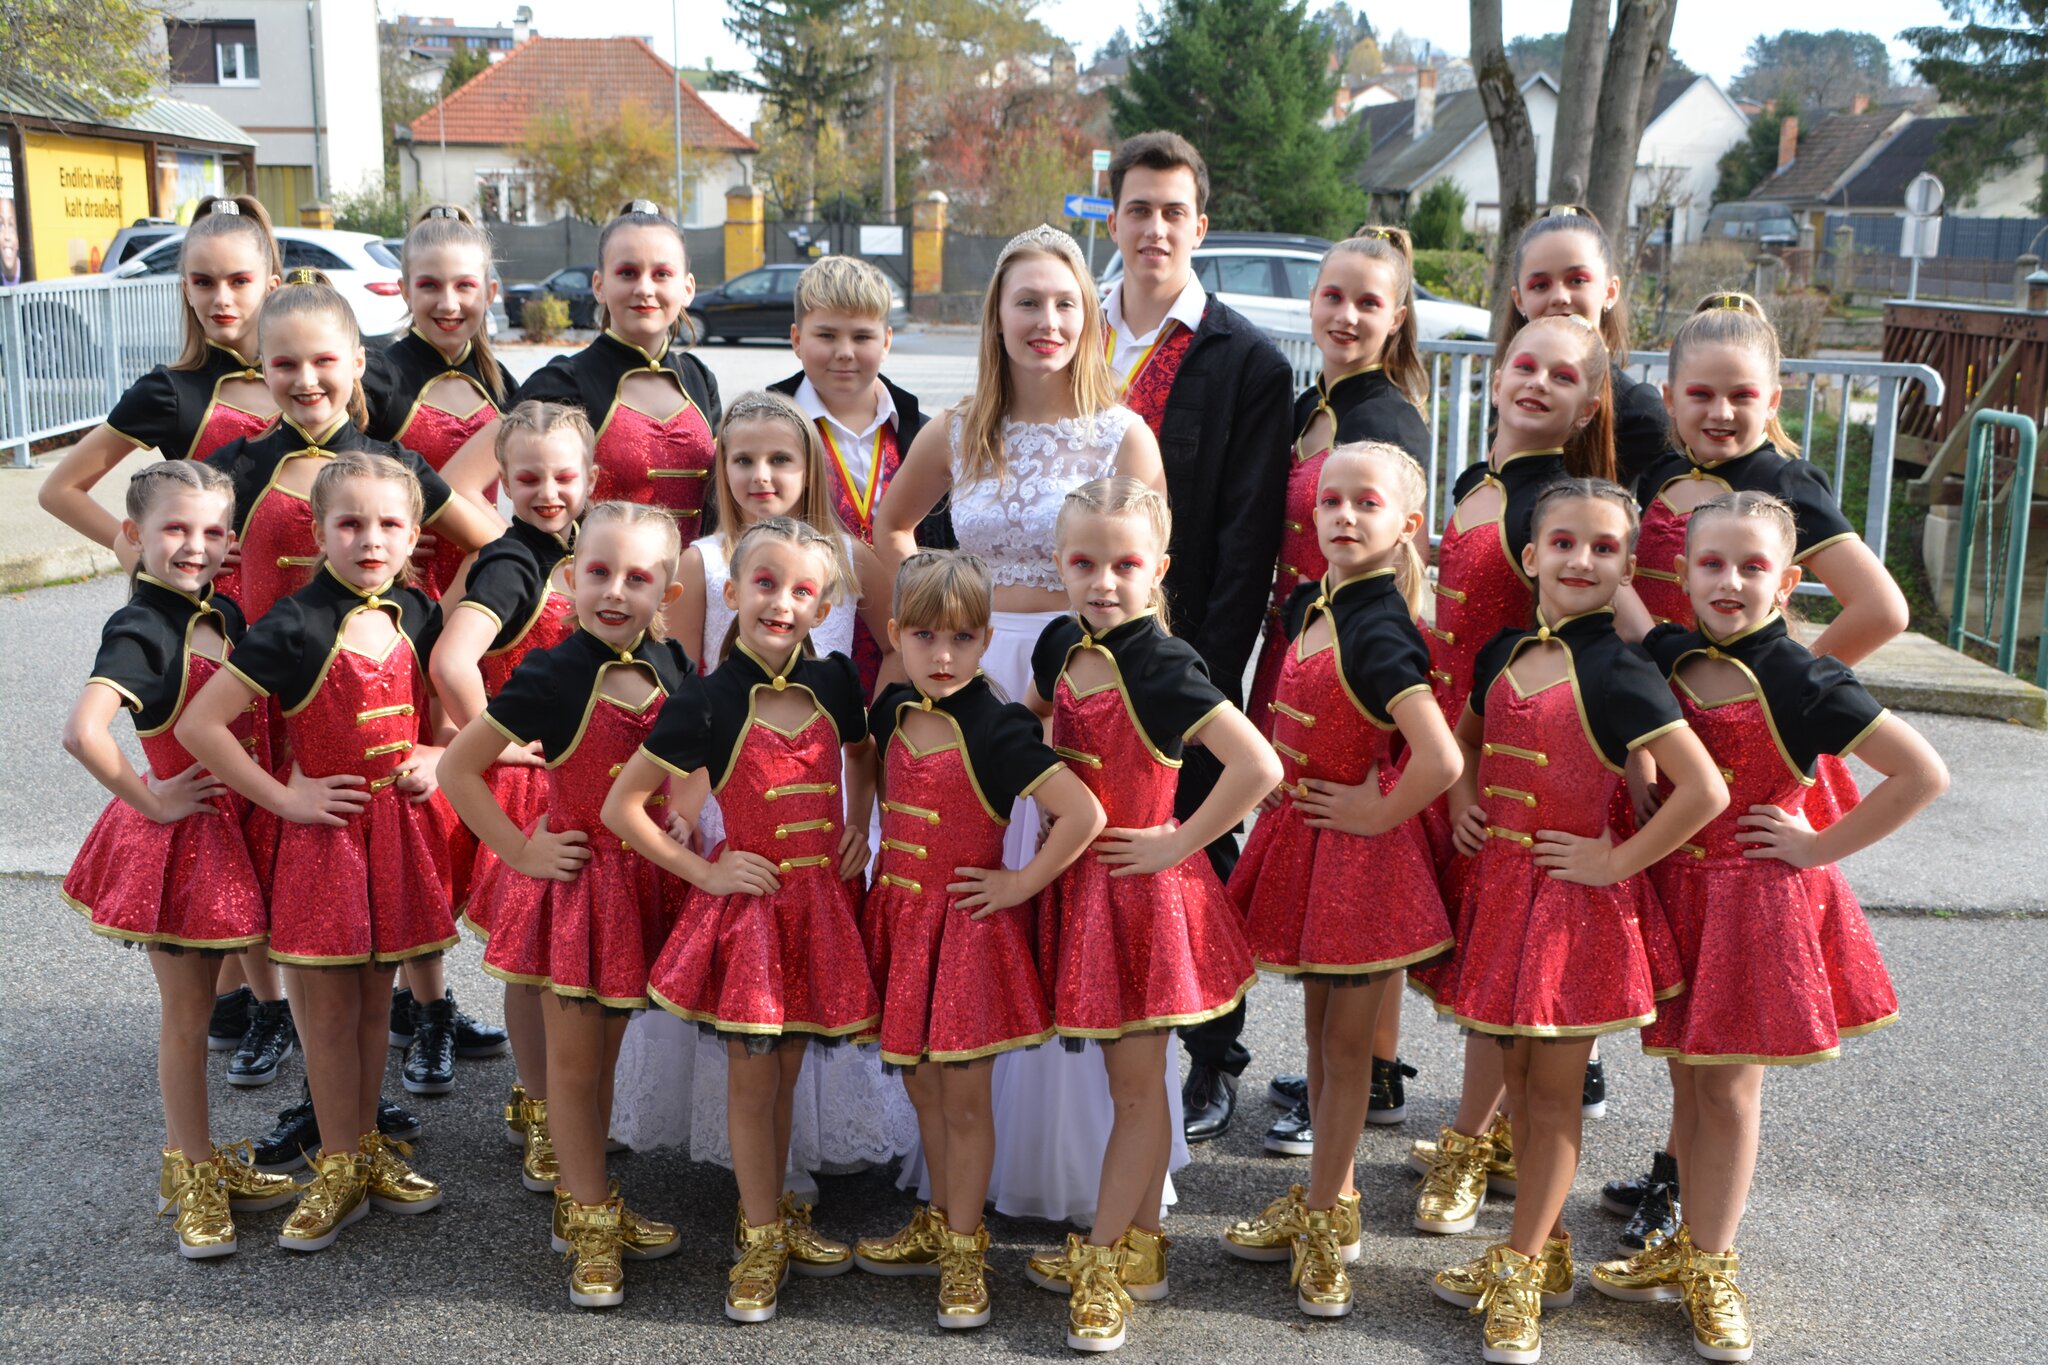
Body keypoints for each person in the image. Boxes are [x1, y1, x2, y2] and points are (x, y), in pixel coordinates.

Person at [1587, 491, 1945, 1362]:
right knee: (1686, 1074)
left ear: (1787, 583)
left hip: (1752, 907)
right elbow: (1626, 613)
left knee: (1728, 1090)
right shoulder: (1671, 652)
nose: (1730, 581)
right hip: (1676, 890)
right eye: (1712, 563)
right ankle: (1688, 1243)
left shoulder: (1803, 678)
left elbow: (1921, 773)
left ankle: (1715, 1266)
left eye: (1753, 567)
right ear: (1682, 574)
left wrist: (1817, 844)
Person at [873, 223, 1181, 1230]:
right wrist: (924, 620)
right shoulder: (957, 430)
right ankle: (964, 1171)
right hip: (966, 670)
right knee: (972, 909)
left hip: (1075, 674)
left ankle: (1077, 1171)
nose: (1046, 321)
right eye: (1026, 303)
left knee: (1064, 898)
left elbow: (1146, 574)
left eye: (1063, 303)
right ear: (995, 318)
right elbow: (891, 526)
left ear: (1087, 316)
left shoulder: (1122, 435)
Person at [1603, 292, 1913, 1252]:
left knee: (1732, 1002)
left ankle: (1692, 1212)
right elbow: (1630, 602)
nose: (1720, 411)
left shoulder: (1782, 482)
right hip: (1665, 726)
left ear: (1773, 399)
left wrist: (1773, 684)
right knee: (1688, 996)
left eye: (1741, 395)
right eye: (1700, 394)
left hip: (1749, 748)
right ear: (1670, 397)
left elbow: (1883, 608)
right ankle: (1678, 1175)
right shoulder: (1662, 471)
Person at [1425, 478, 1726, 1365]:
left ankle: (1520, 1272)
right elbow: (1464, 739)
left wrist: (1615, 862)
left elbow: (1704, 789)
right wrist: (1463, 801)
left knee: (1554, 1094)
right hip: (1503, 892)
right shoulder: (1502, 650)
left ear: (1628, 567)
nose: (1581, 560)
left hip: (1573, 911)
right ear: (1531, 556)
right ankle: (1547, 1246)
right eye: (1563, 543)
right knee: (1518, 1079)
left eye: (1603, 547)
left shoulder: (1621, 670)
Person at [610, 390, 908, 1196]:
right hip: (734, 817)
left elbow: (866, 730)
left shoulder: (844, 592)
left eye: (781, 458)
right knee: (748, 1026)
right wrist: (693, 831)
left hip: (817, 825)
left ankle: (794, 1171)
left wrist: (861, 819)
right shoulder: (705, 576)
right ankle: (759, 1207)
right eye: (743, 459)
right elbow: (679, 684)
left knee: (803, 1021)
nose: (761, 474)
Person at [1015, 476, 1273, 1353]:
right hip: (1078, 885)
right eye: (1083, 562)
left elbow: (1258, 765)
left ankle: (1102, 1263)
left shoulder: (1163, 664)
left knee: (1136, 1084)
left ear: (1158, 567)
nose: (1103, 581)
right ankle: (1143, 1248)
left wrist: (1180, 841)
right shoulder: (1061, 643)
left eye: (1125, 564)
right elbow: (1040, 716)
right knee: (1135, 1083)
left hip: (1138, 895)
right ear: (1059, 563)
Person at [38, 195, 291, 1084]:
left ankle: (301, 993)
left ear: (272, 282)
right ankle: (256, 1004)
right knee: (227, 807)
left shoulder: (305, 373)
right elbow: (60, 488)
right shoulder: (169, 390)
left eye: (239, 280)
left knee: (284, 813)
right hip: (206, 628)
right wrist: (135, 551)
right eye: (202, 281)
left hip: (296, 622)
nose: (222, 299)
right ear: (182, 288)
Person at [176, 452, 456, 1252]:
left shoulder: (416, 610)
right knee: (328, 1015)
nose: (372, 539)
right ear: (318, 530)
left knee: (374, 1003)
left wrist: (437, 755)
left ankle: (361, 1151)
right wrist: (284, 798)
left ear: (415, 533)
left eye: (390, 523)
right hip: (324, 842)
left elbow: (442, 716)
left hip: (393, 835)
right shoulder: (293, 623)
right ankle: (335, 1165)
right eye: (351, 523)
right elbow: (200, 724)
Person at [604, 516, 875, 1324]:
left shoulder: (835, 682)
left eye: (801, 590)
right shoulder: (707, 698)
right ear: (731, 592)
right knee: (754, 1078)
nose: (781, 602)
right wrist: (706, 871)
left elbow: (861, 754)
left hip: (819, 904)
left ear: (823, 606)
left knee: (788, 1068)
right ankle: (757, 1238)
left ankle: (775, 1213)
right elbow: (623, 806)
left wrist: (860, 823)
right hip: (753, 915)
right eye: (765, 583)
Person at [1219, 443, 1460, 1317]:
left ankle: (1327, 1224)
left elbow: (1440, 757)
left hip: (1361, 862)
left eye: (1367, 502)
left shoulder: (1378, 627)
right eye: (1330, 500)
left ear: (1407, 525)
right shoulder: (1312, 600)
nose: (1345, 515)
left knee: (1348, 1048)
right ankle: (1334, 1192)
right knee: (1320, 1036)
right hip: (1313, 843)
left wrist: (1376, 810)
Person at [440, 500, 699, 1307]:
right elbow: (458, 769)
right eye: (598, 572)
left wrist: (684, 810)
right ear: (570, 577)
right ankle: (586, 1222)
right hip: (579, 888)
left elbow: (696, 750)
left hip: (644, 882)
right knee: (575, 1066)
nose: (615, 591)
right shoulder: (552, 673)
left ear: (669, 592)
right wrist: (521, 851)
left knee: (606, 1057)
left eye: (638, 577)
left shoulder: (672, 662)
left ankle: (585, 1198)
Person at [1096, 131, 1295, 1143]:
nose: (1155, 228)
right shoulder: (1068, 328)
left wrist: (1200, 678)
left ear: (1200, 226)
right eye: (1138, 208)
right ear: (1113, 217)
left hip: (1181, 649)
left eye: (1173, 211)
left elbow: (1247, 537)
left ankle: (1214, 1055)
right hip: (1072, 643)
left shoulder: (1245, 358)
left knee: (1197, 849)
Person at [853, 549, 1104, 1330]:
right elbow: (865, 760)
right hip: (901, 923)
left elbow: (1084, 812)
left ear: (987, 639)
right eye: (925, 635)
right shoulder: (892, 708)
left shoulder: (998, 727)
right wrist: (857, 825)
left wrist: (1020, 883)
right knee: (921, 1083)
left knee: (963, 1099)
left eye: (962, 637)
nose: (943, 654)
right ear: (896, 633)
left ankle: (966, 1251)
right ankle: (940, 1218)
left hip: (965, 938)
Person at [1405, 312, 1616, 1239]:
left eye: (1562, 376)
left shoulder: (1554, 501)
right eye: (1524, 364)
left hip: (1517, 749)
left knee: (1507, 962)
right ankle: (1486, 1131)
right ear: (1495, 374)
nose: (1536, 382)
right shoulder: (1474, 482)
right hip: (1454, 732)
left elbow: (1619, 616)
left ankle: (1472, 1138)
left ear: (1588, 405)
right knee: (1474, 958)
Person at [59, 460, 299, 1258]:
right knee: (189, 1016)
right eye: (175, 529)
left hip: (238, 826)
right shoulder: (142, 627)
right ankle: (190, 1171)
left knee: (212, 1004)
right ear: (133, 534)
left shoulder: (217, 608)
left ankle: (205, 1160)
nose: (195, 545)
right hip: (185, 839)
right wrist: (152, 799)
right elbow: (83, 731)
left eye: (212, 531)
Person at [1245, 226, 1435, 1157]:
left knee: (1357, 879)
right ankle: (1339, 1077)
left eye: (1369, 301)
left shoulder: (1386, 416)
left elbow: (1388, 552)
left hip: (1355, 649)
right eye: (1333, 296)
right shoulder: (1308, 403)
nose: (1348, 315)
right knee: (1311, 867)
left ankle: (1371, 1071)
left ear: (1396, 317)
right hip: (1303, 630)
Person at [362, 203, 518, 1092]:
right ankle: (422, 1006)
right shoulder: (381, 376)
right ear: (403, 287)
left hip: (491, 610)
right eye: (430, 286)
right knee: (411, 801)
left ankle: (424, 996)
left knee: (465, 799)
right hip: (410, 611)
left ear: (490, 289)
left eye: (465, 285)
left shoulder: (505, 378)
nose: (449, 302)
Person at [428, 400, 591, 1190]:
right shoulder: (511, 561)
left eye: (564, 475)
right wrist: (491, 740)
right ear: (502, 481)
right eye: (528, 478)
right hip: (534, 789)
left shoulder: (585, 547)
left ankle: (570, 1104)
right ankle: (537, 1107)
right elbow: (450, 660)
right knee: (533, 966)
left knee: (572, 956)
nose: (548, 491)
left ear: (591, 475)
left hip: (587, 781)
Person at [199, 269, 501, 627]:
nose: (306, 380)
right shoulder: (234, 467)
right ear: (264, 368)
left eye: (324, 360)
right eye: (285, 364)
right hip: (260, 663)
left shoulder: (397, 467)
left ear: (358, 362)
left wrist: (432, 630)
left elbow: (491, 548)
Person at [442, 200, 721, 528]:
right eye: (627, 273)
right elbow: (458, 483)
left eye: (661, 274)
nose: (644, 288)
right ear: (599, 286)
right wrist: (517, 551)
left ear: (687, 288)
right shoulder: (566, 380)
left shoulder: (699, 379)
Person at [767, 253, 954, 691]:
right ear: (796, 338)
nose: (845, 352)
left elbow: (945, 541)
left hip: (910, 657)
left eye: (862, 336)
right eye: (826, 335)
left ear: (886, 340)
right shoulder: (766, 427)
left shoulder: (921, 433)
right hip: (802, 651)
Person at [1491, 205, 1669, 492]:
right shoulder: (1515, 391)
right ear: (1519, 299)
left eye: (1577, 280)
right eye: (1540, 285)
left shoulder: (1641, 413)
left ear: (1610, 291)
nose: (1560, 297)